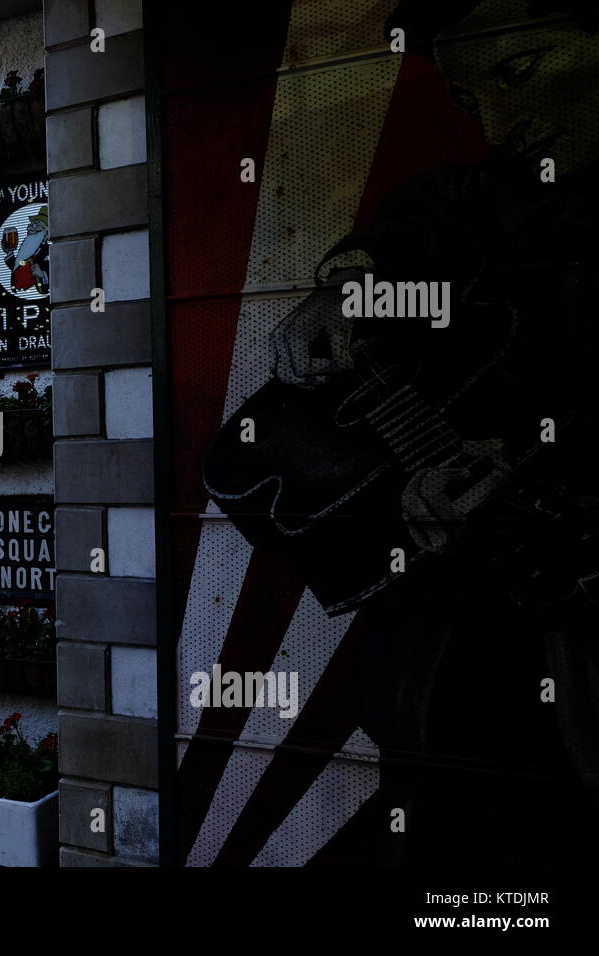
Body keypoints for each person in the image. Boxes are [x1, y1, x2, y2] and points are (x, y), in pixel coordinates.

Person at [238, 0, 599, 864]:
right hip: (498, 628)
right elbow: (424, 219)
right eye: (476, 102)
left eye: (519, 72)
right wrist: (346, 288)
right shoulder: (510, 194)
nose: (504, 125)